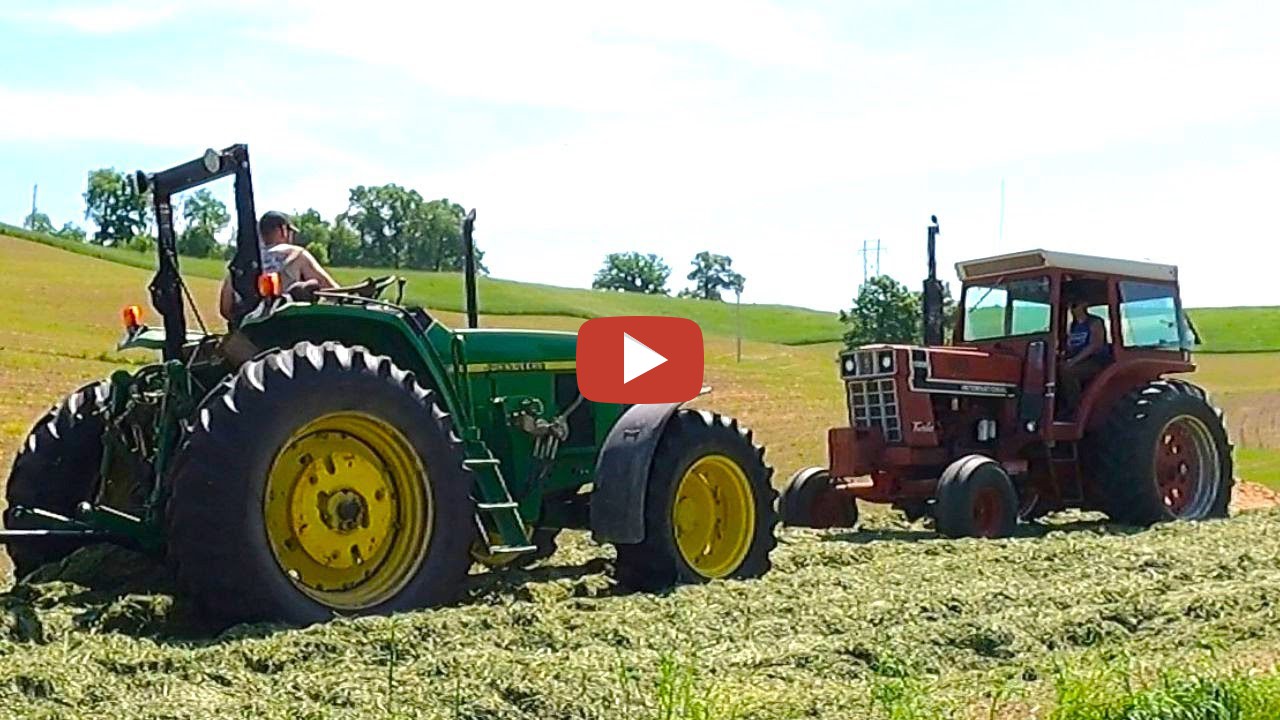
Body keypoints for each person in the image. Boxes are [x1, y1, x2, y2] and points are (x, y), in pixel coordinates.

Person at [219, 211, 338, 321]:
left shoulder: (239, 263)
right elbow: (333, 292)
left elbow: (225, 310)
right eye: (290, 232)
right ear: (283, 230)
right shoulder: (297, 255)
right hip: (286, 331)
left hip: (245, 333)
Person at [1057, 297, 1112, 418]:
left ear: (1085, 305)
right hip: (1078, 359)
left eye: (1076, 305)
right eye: (1071, 306)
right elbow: (1071, 347)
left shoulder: (1094, 322)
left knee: (1068, 372)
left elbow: (1095, 346)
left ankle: (1075, 408)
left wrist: (1073, 361)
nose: (1073, 308)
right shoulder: (1073, 326)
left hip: (1095, 361)